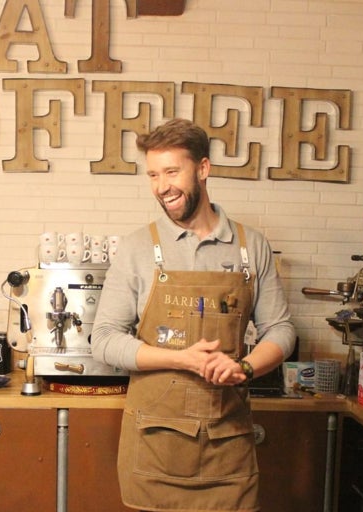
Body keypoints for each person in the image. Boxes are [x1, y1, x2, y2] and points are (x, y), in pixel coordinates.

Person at [91, 118, 296, 512]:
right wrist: (180, 358)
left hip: (228, 448)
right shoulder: (136, 248)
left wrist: (246, 368)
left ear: (203, 169)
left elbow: (280, 329)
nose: (161, 186)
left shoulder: (250, 246)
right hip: (154, 448)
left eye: (172, 171)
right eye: (152, 174)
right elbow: (103, 339)